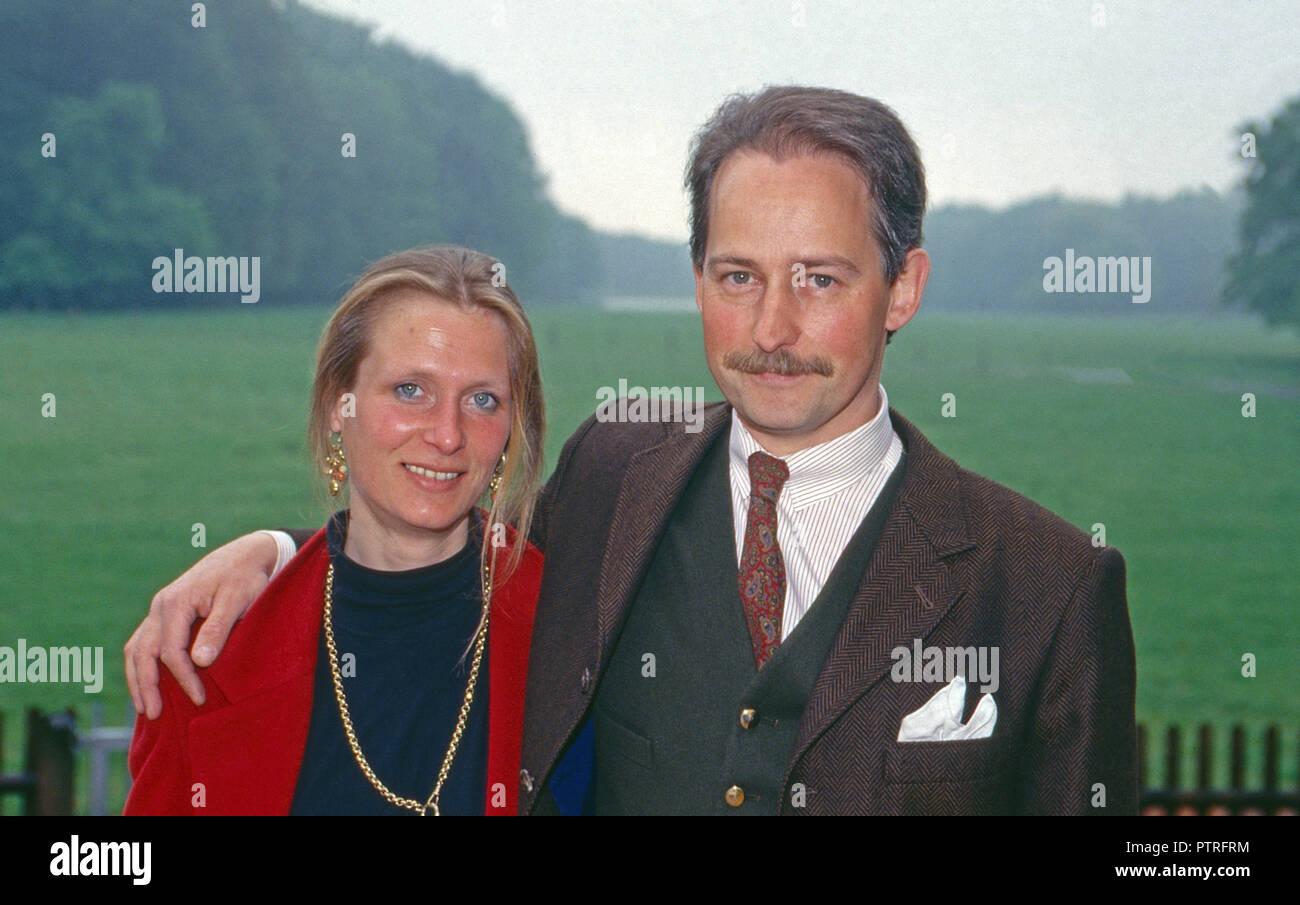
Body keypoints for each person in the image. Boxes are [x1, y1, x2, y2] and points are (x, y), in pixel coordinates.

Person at [126, 87, 1137, 816]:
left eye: (819, 279)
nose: (771, 326)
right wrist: (268, 552)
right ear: (695, 276)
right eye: (737, 274)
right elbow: (426, 543)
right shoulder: (611, 476)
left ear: (902, 288)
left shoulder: (1047, 583)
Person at [123, 245, 545, 815]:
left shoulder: (569, 624)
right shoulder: (208, 648)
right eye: (409, 390)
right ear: (335, 405)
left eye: (482, 399)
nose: (447, 435)